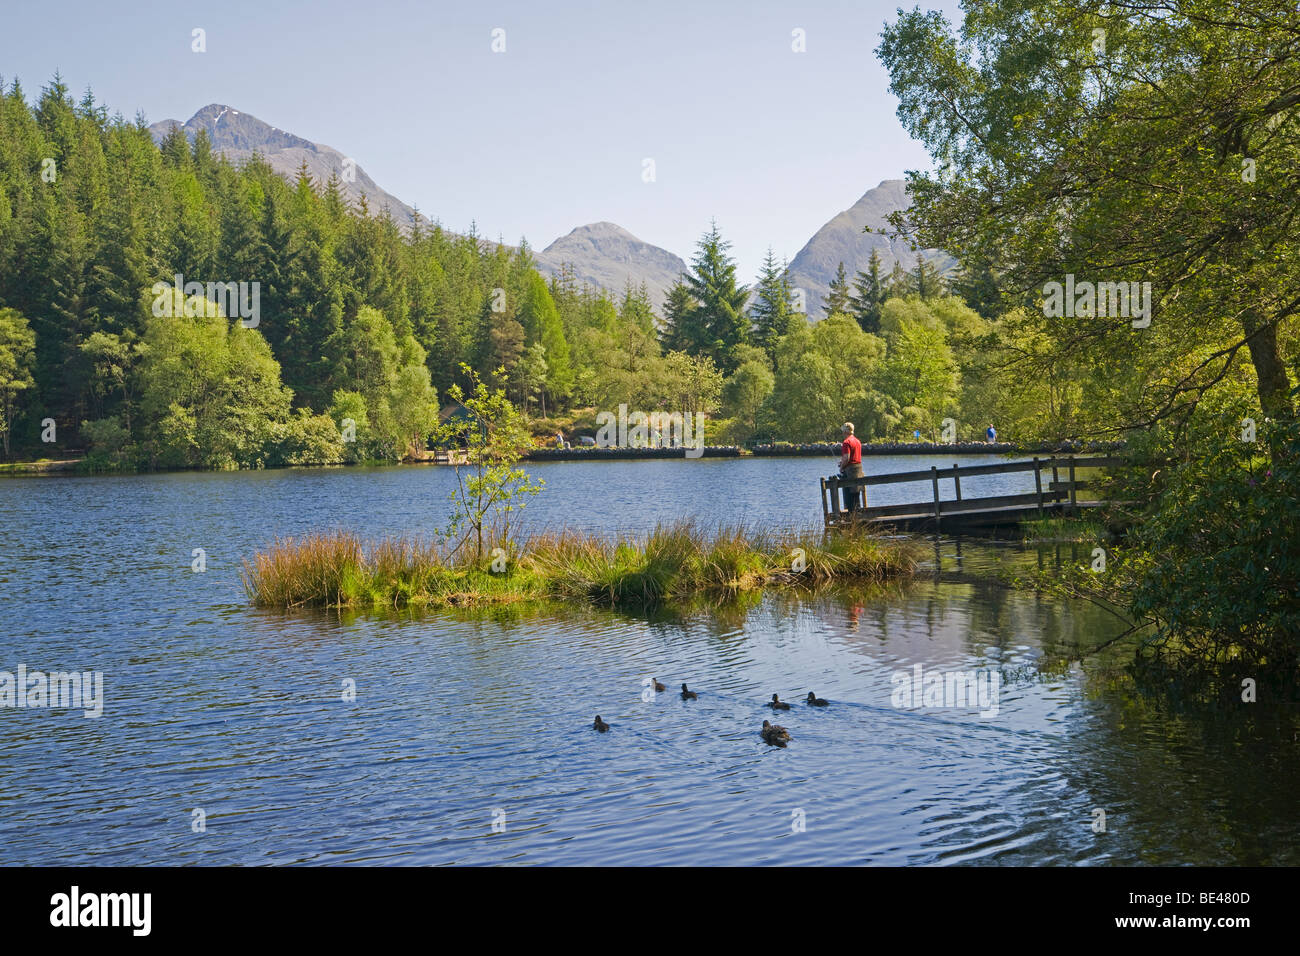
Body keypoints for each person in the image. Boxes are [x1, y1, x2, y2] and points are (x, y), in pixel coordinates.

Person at [837, 422, 864, 513]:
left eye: (843, 431)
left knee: (849, 498)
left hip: (850, 471)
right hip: (858, 469)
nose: (842, 433)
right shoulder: (857, 441)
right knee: (856, 495)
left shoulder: (846, 442)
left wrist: (841, 467)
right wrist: (843, 462)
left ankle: (852, 517)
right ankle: (858, 515)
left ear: (845, 431)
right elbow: (854, 457)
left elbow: (847, 458)